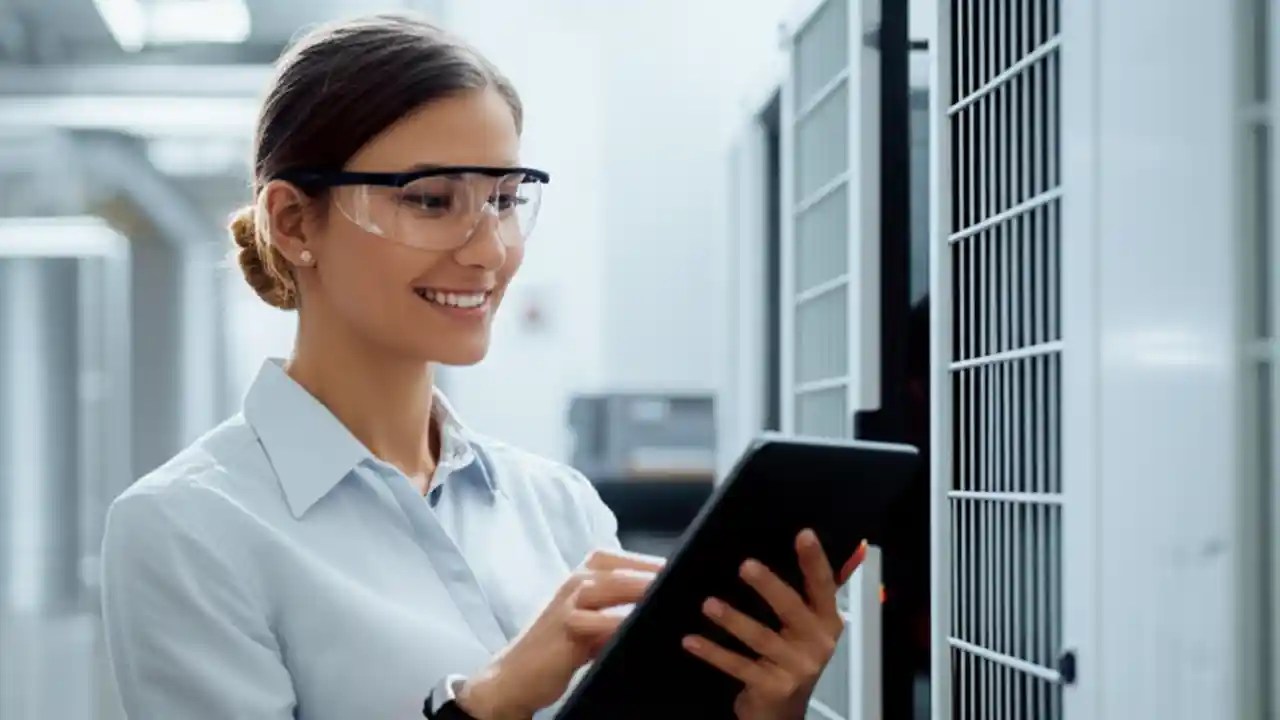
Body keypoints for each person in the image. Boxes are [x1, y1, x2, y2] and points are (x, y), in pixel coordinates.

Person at [99, 14, 865, 720]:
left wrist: (765, 710)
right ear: (294, 222)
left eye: (503, 200)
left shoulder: (561, 508)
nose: (490, 250)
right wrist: (484, 704)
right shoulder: (185, 529)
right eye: (432, 201)